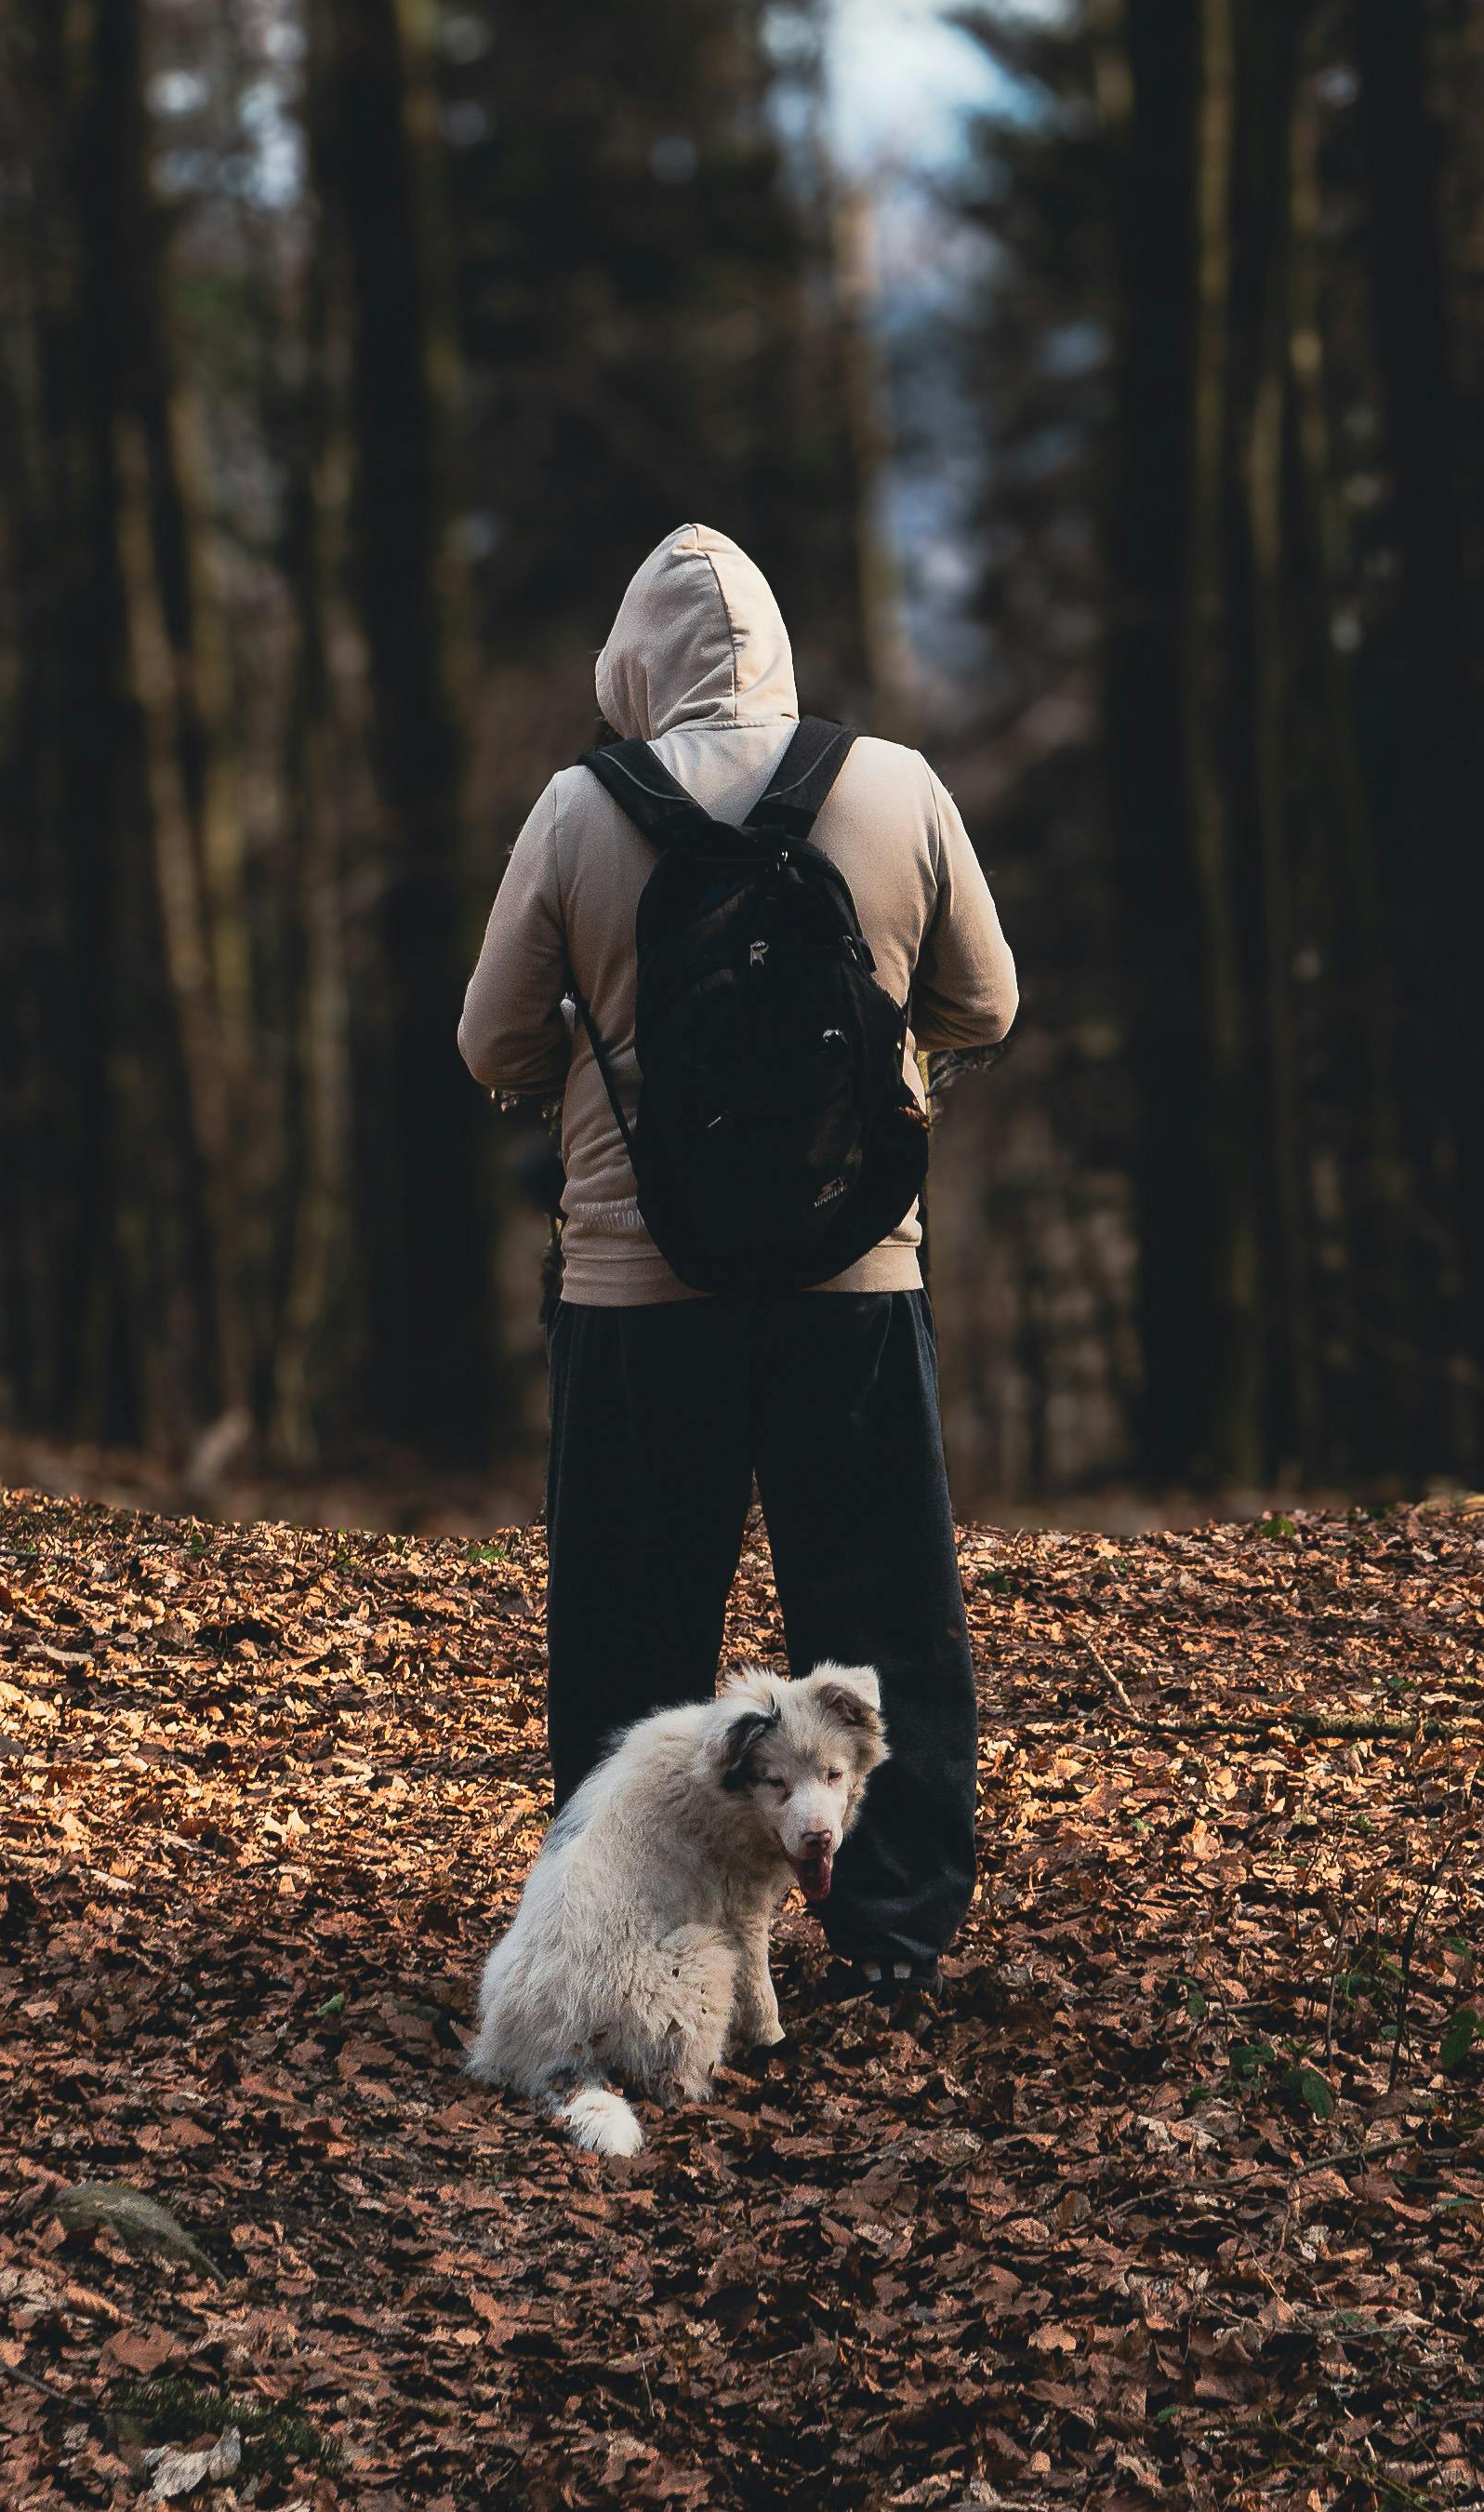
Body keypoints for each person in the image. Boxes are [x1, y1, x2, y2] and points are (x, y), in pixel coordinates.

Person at [458, 523, 1015, 2000]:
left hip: (640, 1289)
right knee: (881, 1600)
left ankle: (627, 1920)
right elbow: (989, 999)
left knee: (636, 1615)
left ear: (634, 666)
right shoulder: (895, 783)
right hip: (857, 1276)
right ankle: (895, 1932)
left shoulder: (581, 808)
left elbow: (489, 1042)